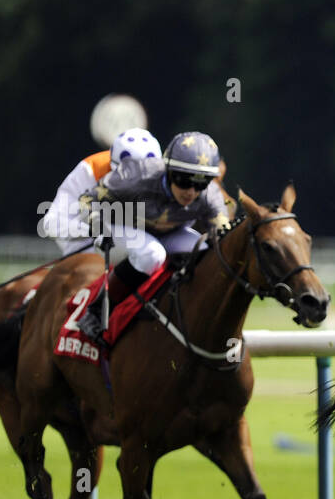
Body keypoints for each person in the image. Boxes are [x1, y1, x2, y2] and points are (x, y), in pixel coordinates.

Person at [75, 131, 230, 342]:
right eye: (184, 180)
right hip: (121, 226)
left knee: (202, 252)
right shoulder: (135, 177)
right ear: (168, 170)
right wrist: (97, 226)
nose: (191, 192)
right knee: (152, 253)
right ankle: (96, 311)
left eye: (201, 183)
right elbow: (86, 200)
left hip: (168, 232)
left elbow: (223, 240)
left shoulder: (211, 196)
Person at [39, 129, 162, 254]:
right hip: (89, 245)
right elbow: (51, 224)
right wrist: (92, 230)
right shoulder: (90, 170)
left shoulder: (168, 176)